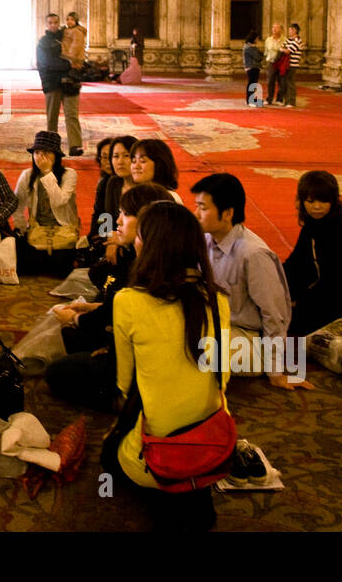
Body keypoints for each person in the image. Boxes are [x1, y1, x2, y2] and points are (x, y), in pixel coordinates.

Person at [101, 200, 232, 532]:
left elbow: (124, 385)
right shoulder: (218, 301)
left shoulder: (129, 301)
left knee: (109, 455)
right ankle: (190, 485)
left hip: (151, 453)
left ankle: (165, 483)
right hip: (215, 444)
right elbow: (222, 376)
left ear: (150, 244)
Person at [46, 182, 174, 411]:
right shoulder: (147, 257)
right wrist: (92, 310)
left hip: (143, 367)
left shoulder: (147, 273)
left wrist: (77, 320)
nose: (117, 221)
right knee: (72, 338)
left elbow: (127, 319)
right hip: (139, 354)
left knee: (57, 372)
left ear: (148, 219)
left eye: (125, 214)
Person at [190, 172, 312, 391]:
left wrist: (276, 370)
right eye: (196, 206)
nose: (196, 213)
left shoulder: (253, 254)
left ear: (227, 213)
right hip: (216, 326)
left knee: (192, 351)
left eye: (203, 207)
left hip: (248, 339)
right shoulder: (205, 240)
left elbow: (274, 314)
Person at [284, 170, 342, 336]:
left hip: (338, 302)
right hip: (318, 295)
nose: (317, 206)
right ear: (301, 202)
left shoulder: (340, 231)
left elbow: (337, 281)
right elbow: (297, 263)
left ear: (333, 201)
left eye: (324, 201)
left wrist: (297, 300)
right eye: (310, 201)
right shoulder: (312, 226)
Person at [12, 130, 79, 278]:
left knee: (62, 270)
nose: (40, 157)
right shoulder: (27, 175)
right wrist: (22, 231)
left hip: (63, 231)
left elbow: (59, 201)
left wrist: (48, 173)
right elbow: (17, 206)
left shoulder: (69, 174)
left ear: (56, 156)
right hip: (37, 231)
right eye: (37, 152)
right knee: (25, 267)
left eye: (47, 153)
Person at [37, 13, 83, 156]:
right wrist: (69, 64)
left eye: (56, 22)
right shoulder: (43, 42)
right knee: (52, 117)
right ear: (47, 24)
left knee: (72, 114)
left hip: (70, 82)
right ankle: (52, 147)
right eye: (50, 23)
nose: (53, 25)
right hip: (52, 83)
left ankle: (75, 146)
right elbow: (47, 63)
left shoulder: (67, 36)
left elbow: (78, 50)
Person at [86, 138, 115, 241]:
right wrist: (95, 235)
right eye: (104, 157)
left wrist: (109, 238)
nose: (109, 162)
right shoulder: (104, 182)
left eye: (113, 156)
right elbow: (101, 213)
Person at [262, 23, 284, 105]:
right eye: (273, 27)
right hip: (271, 62)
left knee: (281, 81)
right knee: (270, 81)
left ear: (281, 30)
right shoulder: (268, 40)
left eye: (277, 28)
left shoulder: (285, 40)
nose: (274, 29)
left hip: (281, 62)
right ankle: (269, 99)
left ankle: (280, 99)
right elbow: (266, 51)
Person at [243, 30, 263, 106]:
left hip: (253, 67)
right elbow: (258, 57)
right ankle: (250, 101)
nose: (257, 40)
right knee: (252, 84)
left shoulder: (250, 47)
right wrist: (260, 54)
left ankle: (251, 99)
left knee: (253, 84)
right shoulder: (249, 47)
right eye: (257, 38)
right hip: (252, 68)